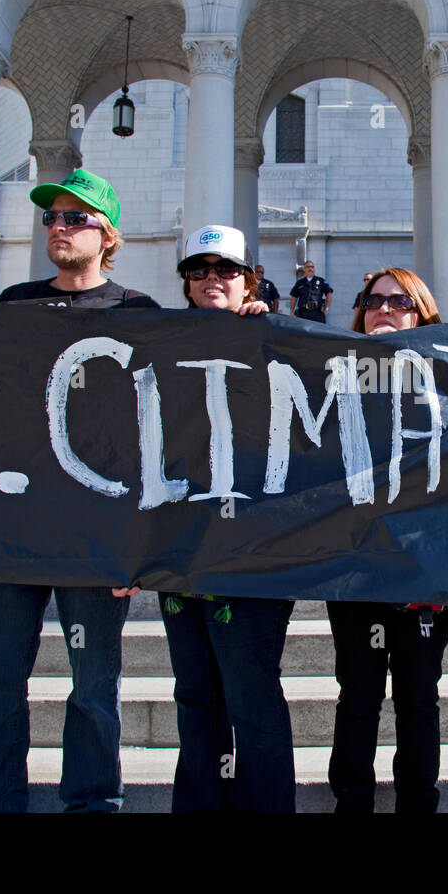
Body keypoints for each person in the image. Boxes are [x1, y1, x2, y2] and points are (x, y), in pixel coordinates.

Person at [0, 168, 161, 812]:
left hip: (94, 529)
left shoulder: (138, 313)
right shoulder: (13, 302)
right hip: (10, 526)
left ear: (107, 235)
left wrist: (138, 543)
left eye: (74, 219)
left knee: (94, 685)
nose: (57, 228)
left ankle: (92, 803)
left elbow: (158, 428)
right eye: (51, 218)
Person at [156, 223, 296, 812]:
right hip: (178, 551)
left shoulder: (276, 339)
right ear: (186, 283)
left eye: (227, 270)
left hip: (254, 553)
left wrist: (270, 332)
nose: (213, 279)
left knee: (252, 698)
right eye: (200, 269)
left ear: (249, 281)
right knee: (195, 696)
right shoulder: (156, 343)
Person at [327, 268, 448, 813]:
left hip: (425, 568)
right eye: (373, 301)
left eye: (400, 302)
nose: (384, 309)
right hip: (355, 568)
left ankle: (417, 806)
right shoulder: (333, 373)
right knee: (358, 698)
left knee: (418, 700)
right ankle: (351, 804)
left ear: (423, 314)